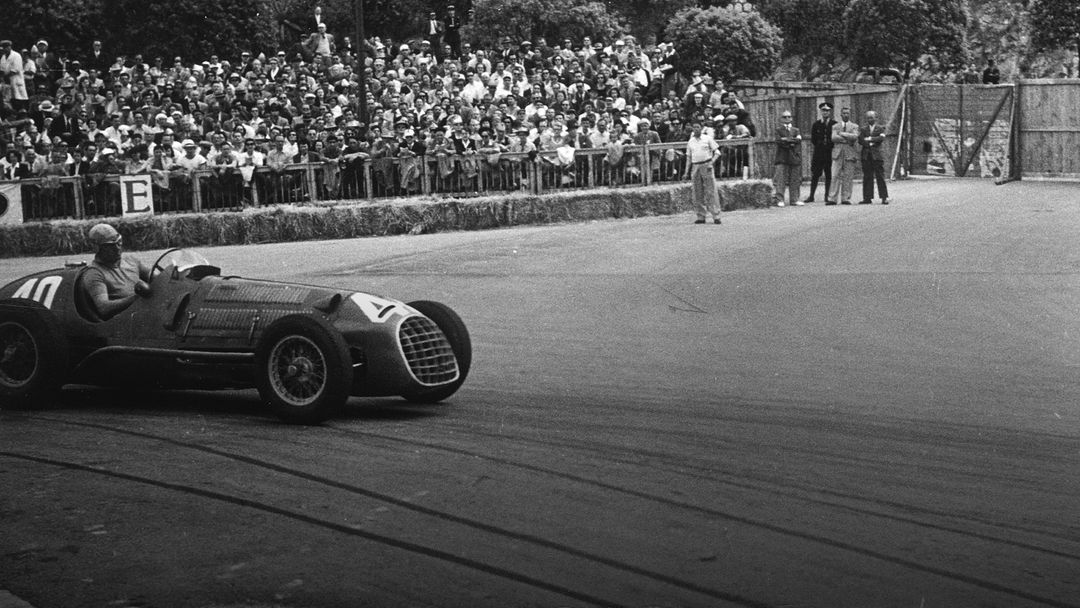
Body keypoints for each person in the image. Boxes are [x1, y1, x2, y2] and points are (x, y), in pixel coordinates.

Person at [82, 223, 152, 321]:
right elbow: (104, 307)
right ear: (97, 248)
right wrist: (136, 298)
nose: (117, 248)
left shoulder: (131, 260)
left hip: (147, 312)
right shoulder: (94, 273)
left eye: (119, 242)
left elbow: (157, 278)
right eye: (110, 246)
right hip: (126, 322)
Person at [682, 118, 721, 225]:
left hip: (706, 164)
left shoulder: (707, 139)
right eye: (694, 127)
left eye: (697, 127)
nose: (696, 129)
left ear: (701, 128)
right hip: (695, 166)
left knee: (710, 190)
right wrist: (686, 172)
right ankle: (701, 216)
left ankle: (716, 215)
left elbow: (717, 152)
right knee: (697, 191)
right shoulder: (690, 141)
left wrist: (711, 163)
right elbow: (688, 158)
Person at [804, 102, 835, 203]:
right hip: (819, 153)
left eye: (827, 111)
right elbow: (813, 139)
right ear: (821, 112)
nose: (825, 112)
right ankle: (811, 196)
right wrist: (820, 145)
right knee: (815, 174)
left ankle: (827, 196)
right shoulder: (816, 124)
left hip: (830, 153)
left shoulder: (834, 124)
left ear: (830, 112)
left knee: (828, 174)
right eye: (823, 110)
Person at [828, 106, 859, 205]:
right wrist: (846, 138)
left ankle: (845, 198)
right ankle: (832, 198)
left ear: (850, 115)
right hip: (837, 154)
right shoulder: (835, 126)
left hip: (850, 153)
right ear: (840, 115)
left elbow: (854, 137)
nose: (846, 115)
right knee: (834, 175)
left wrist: (841, 134)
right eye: (844, 113)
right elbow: (833, 138)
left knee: (848, 176)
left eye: (847, 113)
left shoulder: (854, 126)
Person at [858, 110, 889, 205]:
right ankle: (867, 197)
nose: (869, 119)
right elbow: (861, 140)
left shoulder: (880, 128)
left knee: (880, 176)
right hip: (866, 155)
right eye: (868, 118)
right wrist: (870, 142)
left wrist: (870, 139)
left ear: (876, 118)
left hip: (877, 155)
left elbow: (881, 138)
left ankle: (884, 197)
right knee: (867, 176)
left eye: (871, 117)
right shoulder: (863, 129)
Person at [772, 110, 802, 207]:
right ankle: (779, 199)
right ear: (781, 119)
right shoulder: (778, 130)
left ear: (791, 118)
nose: (787, 119)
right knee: (781, 179)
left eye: (789, 117)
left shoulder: (796, 130)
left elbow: (798, 140)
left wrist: (786, 140)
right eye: (784, 117)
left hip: (793, 156)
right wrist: (790, 140)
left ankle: (794, 199)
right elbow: (779, 141)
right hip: (782, 156)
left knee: (795, 179)